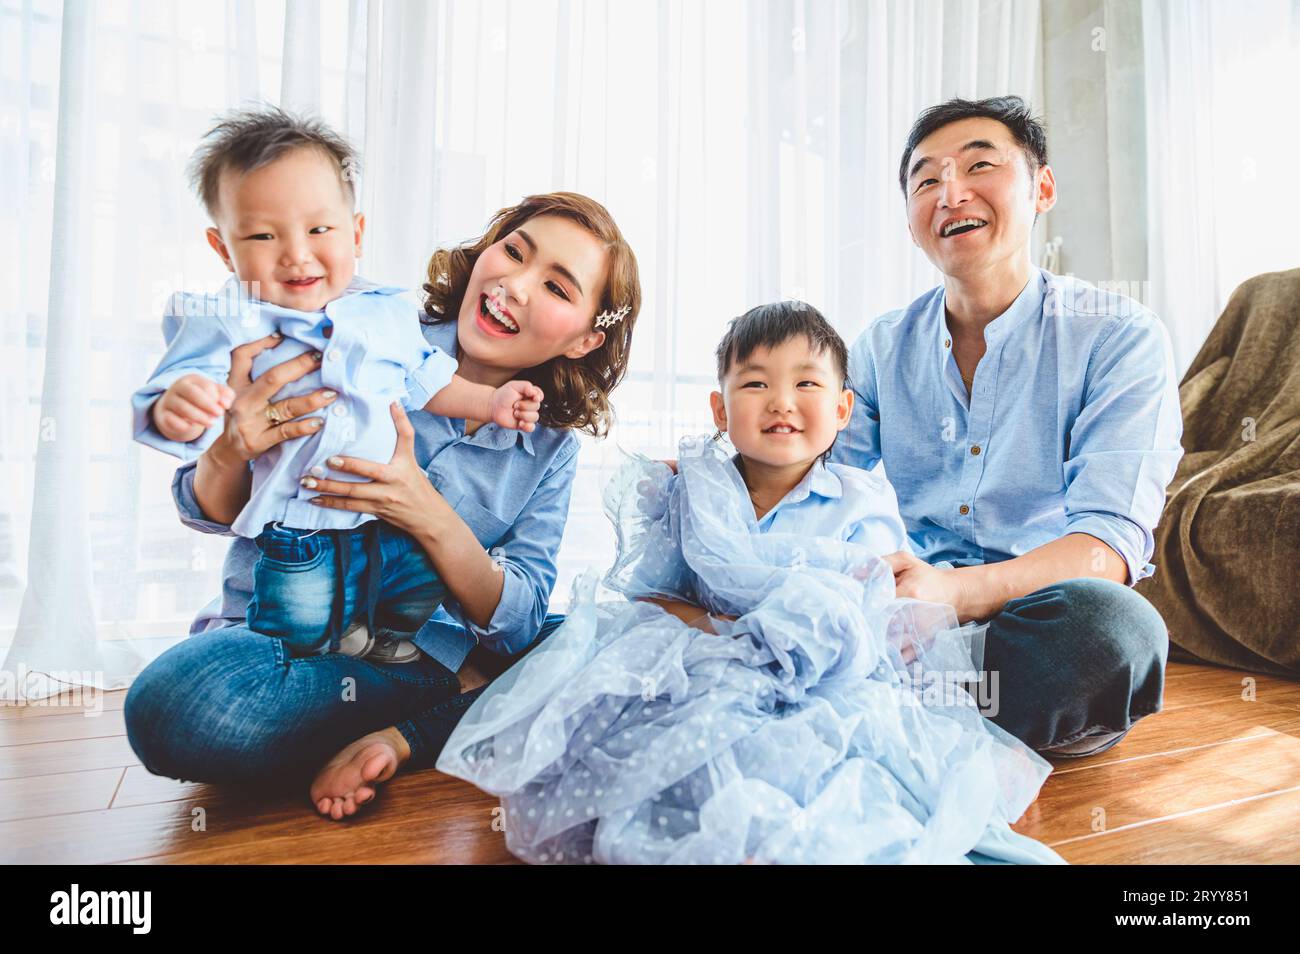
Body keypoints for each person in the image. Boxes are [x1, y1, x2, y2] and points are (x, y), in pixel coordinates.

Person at [436, 302, 1065, 864]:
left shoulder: (860, 501)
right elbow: (654, 599)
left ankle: (784, 829)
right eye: (756, 383)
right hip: (705, 664)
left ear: (842, 409)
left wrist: (780, 639)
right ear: (720, 408)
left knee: (835, 750)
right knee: (667, 731)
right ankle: (718, 826)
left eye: (807, 384)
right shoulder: (694, 491)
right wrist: (725, 634)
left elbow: (866, 617)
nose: (781, 401)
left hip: (822, 678)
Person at [124, 190, 641, 821]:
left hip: (409, 668)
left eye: (558, 288)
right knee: (172, 707)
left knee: (611, 637)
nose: (517, 284)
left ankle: (401, 737)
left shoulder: (549, 448)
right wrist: (229, 447)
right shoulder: (364, 333)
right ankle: (445, 718)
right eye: (514, 251)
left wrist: (423, 507)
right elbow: (205, 508)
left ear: (586, 338)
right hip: (280, 646)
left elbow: (518, 621)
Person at [831, 96, 1183, 757]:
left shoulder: (1119, 337)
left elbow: (1107, 545)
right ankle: (925, 724)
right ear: (910, 222)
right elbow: (818, 489)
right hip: (906, 624)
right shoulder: (878, 348)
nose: (951, 192)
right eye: (926, 180)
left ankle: (884, 717)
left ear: (1041, 188)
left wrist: (954, 594)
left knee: (1117, 633)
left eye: (978, 166)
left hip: (1031, 629)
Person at [132, 106, 543, 660]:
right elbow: (181, 382)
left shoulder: (384, 312)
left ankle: (381, 646)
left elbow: (427, 381)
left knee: (417, 581)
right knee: (295, 620)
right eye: (261, 235)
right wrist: (178, 406)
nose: (296, 253)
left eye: (319, 229)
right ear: (223, 249)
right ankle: (302, 659)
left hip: (384, 528)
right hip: (296, 525)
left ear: (356, 233)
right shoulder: (225, 318)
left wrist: (492, 401)